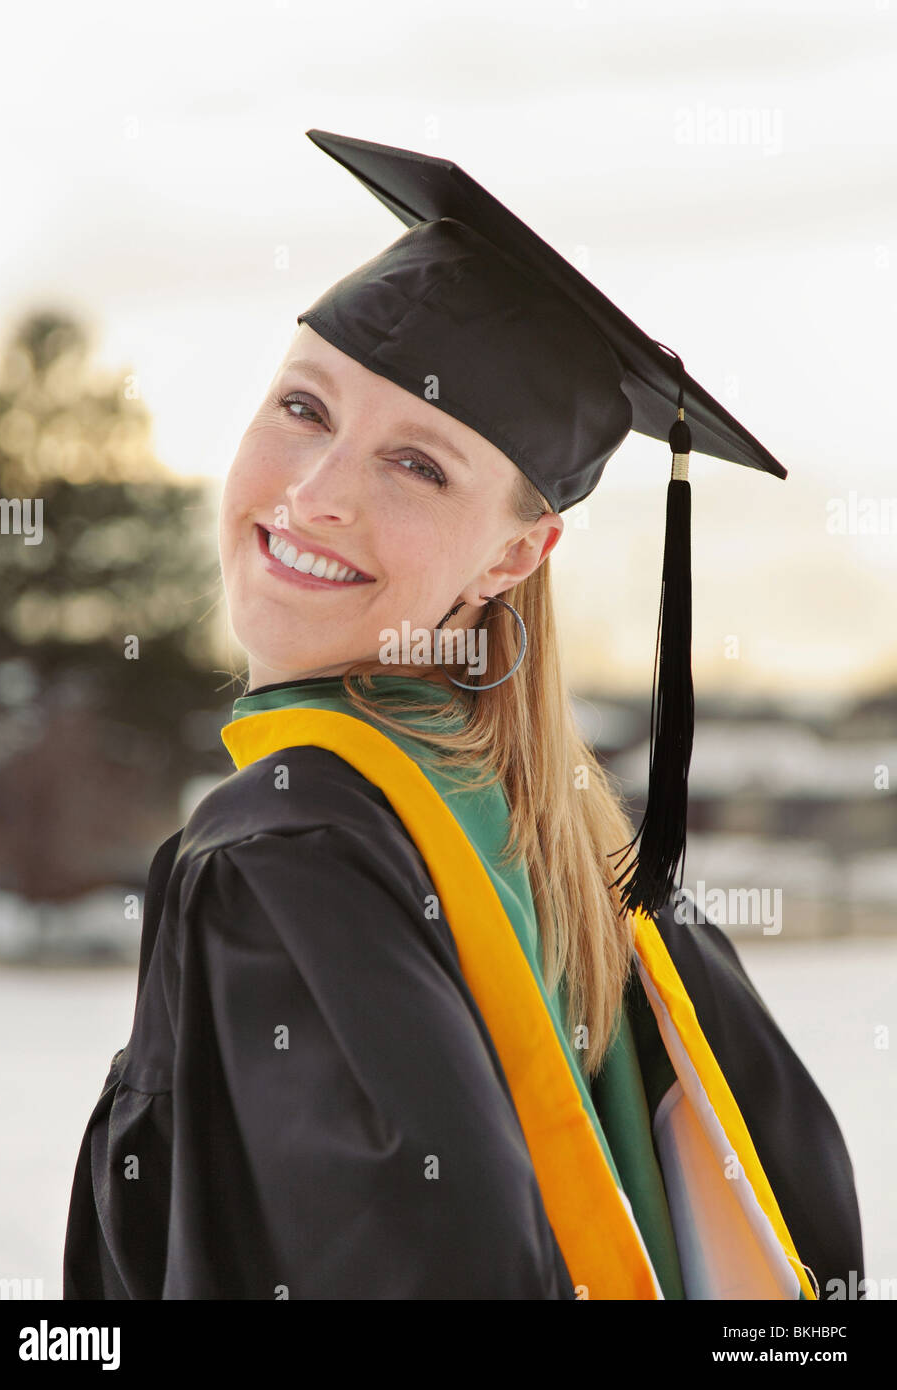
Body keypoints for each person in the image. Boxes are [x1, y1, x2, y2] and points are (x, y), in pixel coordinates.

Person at [62, 130, 863, 1301]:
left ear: (517, 552)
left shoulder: (288, 849)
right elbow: (809, 1225)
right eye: (302, 406)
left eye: (418, 466)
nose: (316, 493)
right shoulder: (573, 839)